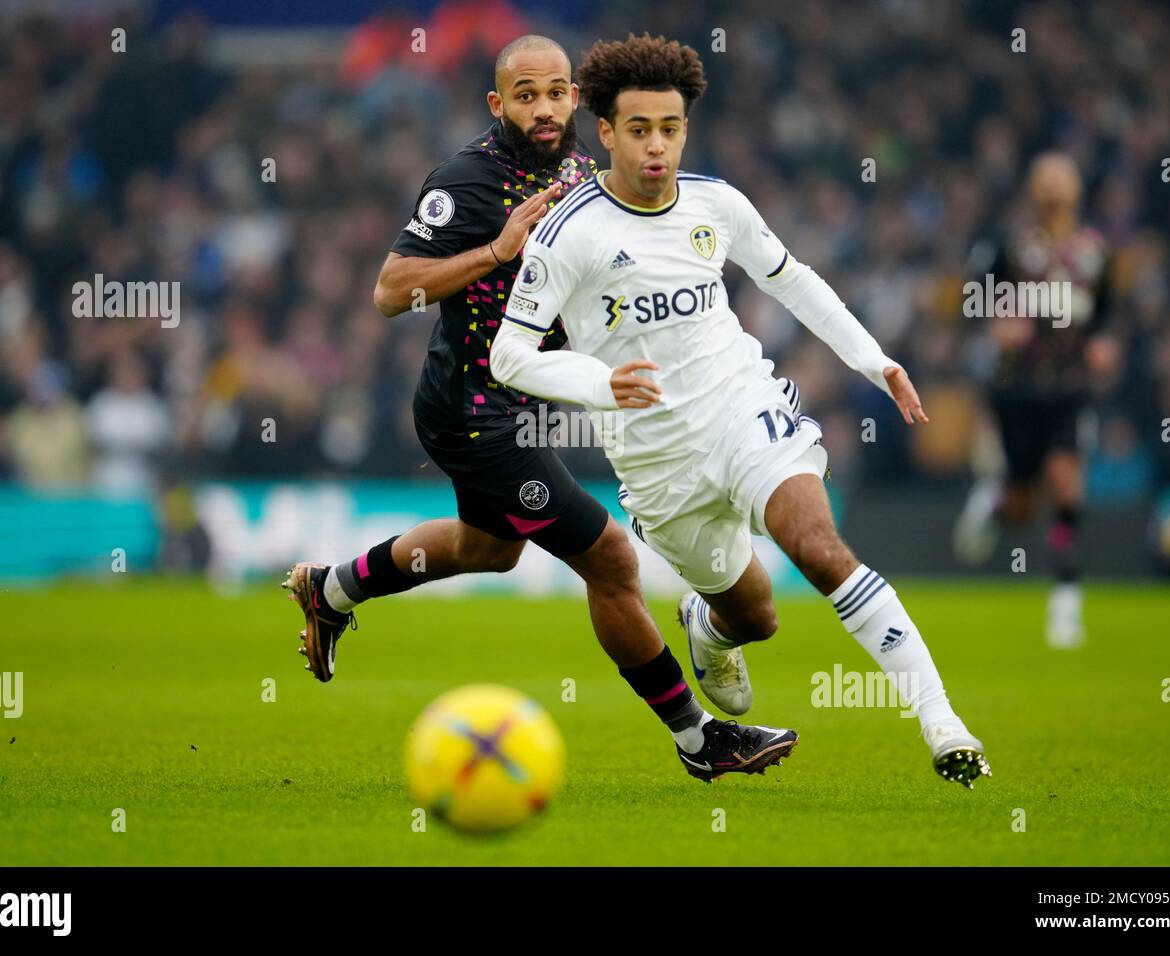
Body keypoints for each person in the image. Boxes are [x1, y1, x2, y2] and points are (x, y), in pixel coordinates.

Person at [284, 34, 800, 782]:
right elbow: (391, 292)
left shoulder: (588, 178)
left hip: (531, 402)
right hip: (474, 410)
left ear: (578, 100)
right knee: (611, 557)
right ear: (499, 104)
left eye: (558, 91)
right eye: (526, 95)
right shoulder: (465, 181)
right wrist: (496, 251)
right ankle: (700, 740)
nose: (545, 106)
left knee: (487, 549)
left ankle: (330, 587)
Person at [490, 33, 989, 788]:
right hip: (657, 460)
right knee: (756, 616)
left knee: (820, 551)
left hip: (741, 405)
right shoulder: (569, 234)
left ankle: (942, 722)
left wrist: (872, 358)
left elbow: (791, 279)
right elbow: (510, 355)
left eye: (671, 128)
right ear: (606, 132)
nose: (656, 146)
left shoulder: (717, 204)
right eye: (638, 130)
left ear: (686, 127)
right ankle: (708, 626)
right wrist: (600, 382)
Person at [954, 152, 1115, 648]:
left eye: (1061, 178)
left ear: (1075, 190)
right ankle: (997, 499)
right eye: (1045, 178)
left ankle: (1066, 601)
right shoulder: (1010, 244)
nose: (1054, 188)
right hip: (1018, 387)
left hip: (1069, 387)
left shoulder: (1095, 251)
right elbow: (970, 294)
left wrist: (1103, 342)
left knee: (1067, 484)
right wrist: (995, 319)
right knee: (1025, 502)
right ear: (1032, 189)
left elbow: (1105, 312)